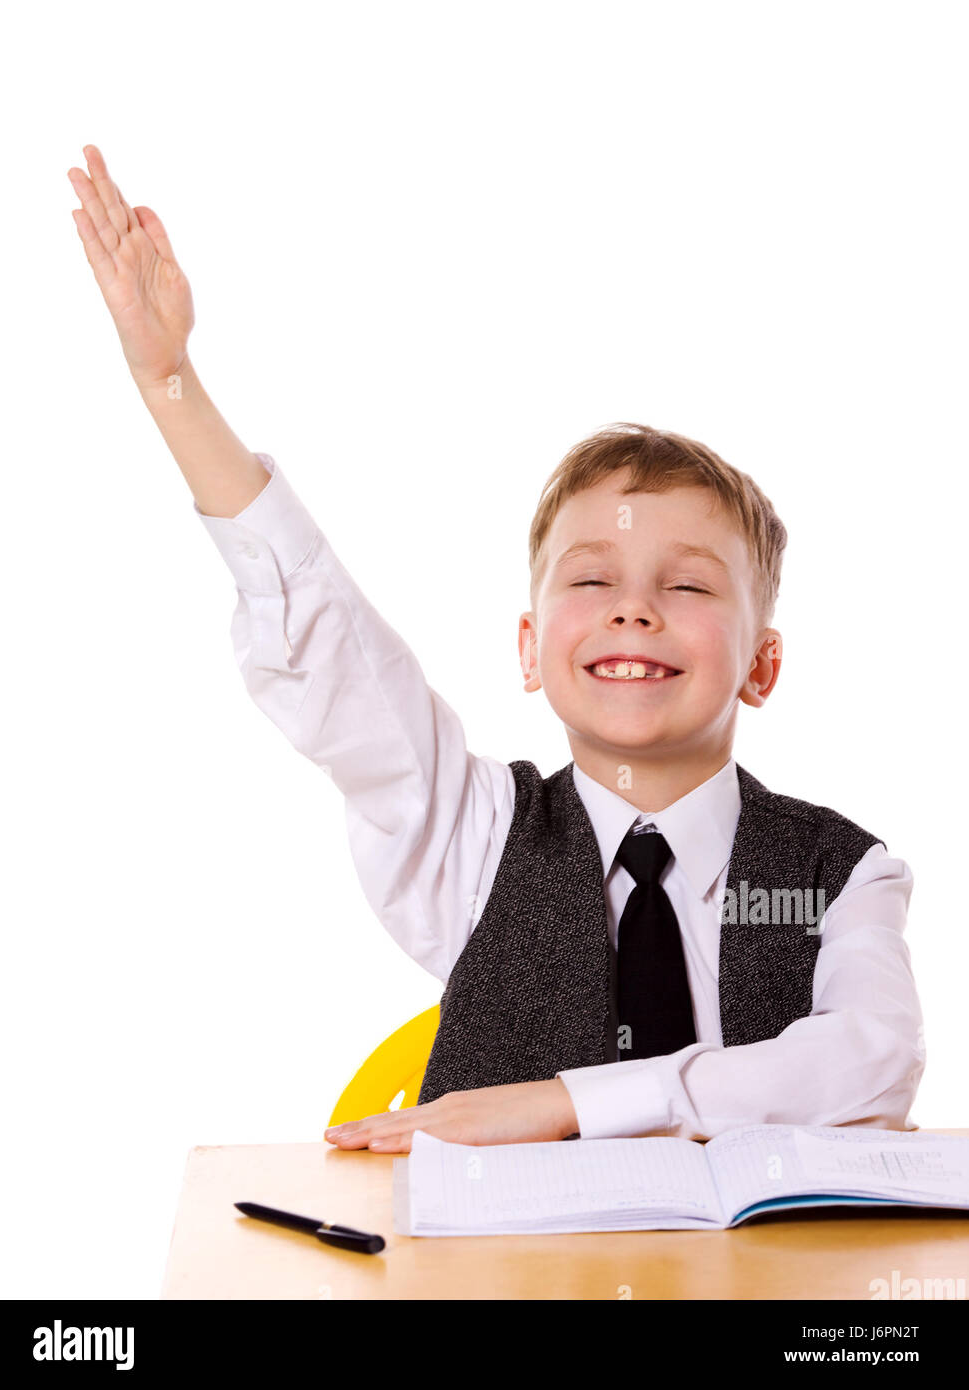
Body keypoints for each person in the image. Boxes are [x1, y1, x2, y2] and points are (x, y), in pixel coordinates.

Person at [68, 144, 924, 1154]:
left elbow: (869, 1059)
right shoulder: (471, 835)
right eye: (591, 581)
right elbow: (330, 646)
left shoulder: (841, 872)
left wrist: (568, 1103)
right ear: (529, 647)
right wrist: (170, 379)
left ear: (760, 663)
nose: (633, 611)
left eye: (685, 585)